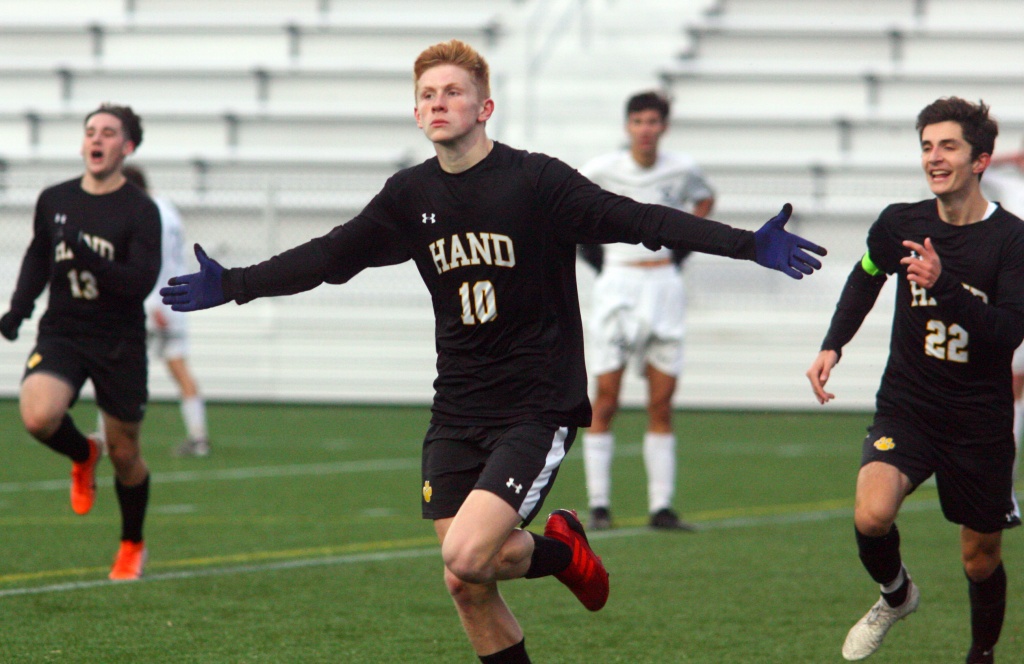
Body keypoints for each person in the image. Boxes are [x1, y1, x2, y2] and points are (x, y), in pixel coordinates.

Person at [161, 40, 826, 663]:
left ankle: (564, 554)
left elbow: (641, 220)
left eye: (453, 91)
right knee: (464, 581)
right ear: (416, 111)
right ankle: (560, 550)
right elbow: (333, 256)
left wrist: (746, 243)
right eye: (427, 94)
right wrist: (236, 285)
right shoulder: (410, 195)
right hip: (455, 407)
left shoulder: (537, 183)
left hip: (534, 404)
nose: (438, 102)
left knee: (469, 554)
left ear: (484, 108)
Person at [806, 97, 1024, 663]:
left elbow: (1007, 334)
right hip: (910, 403)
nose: (934, 157)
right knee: (871, 514)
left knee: (979, 559)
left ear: (981, 159)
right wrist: (834, 343)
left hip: (979, 418)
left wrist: (944, 284)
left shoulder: (1012, 241)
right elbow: (867, 274)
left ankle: (981, 654)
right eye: (927, 146)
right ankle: (897, 596)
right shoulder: (901, 222)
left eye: (948, 146)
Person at [0, 104, 161, 581]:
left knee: (126, 454)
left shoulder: (141, 211)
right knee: (37, 415)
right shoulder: (55, 200)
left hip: (119, 341)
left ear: (126, 146)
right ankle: (82, 454)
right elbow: (37, 256)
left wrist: (88, 254)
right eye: (91, 131)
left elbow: (138, 284)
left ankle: (132, 544)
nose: (97, 138)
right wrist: (18, 308)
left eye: (109, 133)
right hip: (64, 330)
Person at [577, 91, 714, 532]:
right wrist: (595, 258)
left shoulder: (682, 169)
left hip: (664, 286)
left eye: (653, 120)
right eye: (638, 120)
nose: (645, 129)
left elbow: (704, 199)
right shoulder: (602, 169)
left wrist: (683, 249)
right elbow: (570, 208)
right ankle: (599, 505)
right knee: (607, 398)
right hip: (618, 283)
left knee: (661, 402)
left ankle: (661, 507)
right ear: (627, 126)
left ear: (664, 126)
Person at [123, 164, 210, 458]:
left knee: (122, 364)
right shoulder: (169, 210)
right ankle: (199, 437)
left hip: (157, 301)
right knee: (179, 367)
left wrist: (152, 304)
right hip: (178, 298)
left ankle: (110, 435)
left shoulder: (146, 213)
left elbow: (151, 261)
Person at [982, 144, 1024, 480]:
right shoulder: (1012, 187)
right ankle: (1001, 472)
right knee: (1012, 382)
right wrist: (1010, 158)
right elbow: (976, 167)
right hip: (1015, 294)